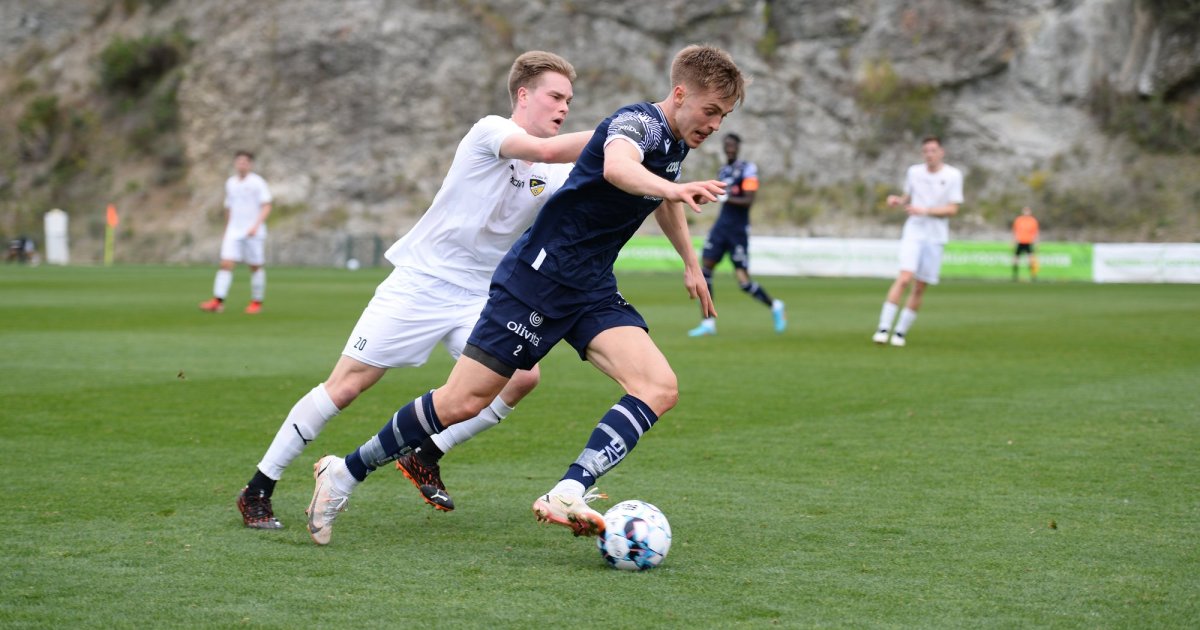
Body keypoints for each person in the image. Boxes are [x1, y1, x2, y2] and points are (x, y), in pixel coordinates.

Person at [304, 44, 745, 546]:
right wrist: (672, 190)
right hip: (538, 279)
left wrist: (691, 261)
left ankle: (568, 491)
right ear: (680, 94)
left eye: (723, 116)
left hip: (591, 286)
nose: (714, 124)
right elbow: (619, 168)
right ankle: (344, 472)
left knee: (659, 387)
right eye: (711, 110)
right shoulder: (637, 123)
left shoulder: (675, 144)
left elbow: (663, 191)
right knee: (462, 401)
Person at [234, 52, 591, 529]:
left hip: (480, 297)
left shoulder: (557, 172)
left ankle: (425, 453)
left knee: (522, 378)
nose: (564, 107)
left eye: (569, 100)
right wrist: (617, 133)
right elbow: (547, 150)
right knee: (348, 385)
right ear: (523, 95)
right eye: (556, 96)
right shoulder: (489, 131)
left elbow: (598, 180)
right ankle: (259, 487)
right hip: (421, 282)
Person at [687, 133, 785, 336]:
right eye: (726, 145)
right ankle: (708, 323)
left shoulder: (748, 170)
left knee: (743, 282)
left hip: (738, 231)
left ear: (738, 147)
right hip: (721, 227)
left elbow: (749, 200)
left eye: (732, 145)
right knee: (705, 271)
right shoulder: (723, 171)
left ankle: (775, 305)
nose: (729, 148)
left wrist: (725, 197)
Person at [872, 136, 963, 347]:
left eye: (933, 150)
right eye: (926, 151)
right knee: (905, 277)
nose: (929, 155)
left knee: (920, 286)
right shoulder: (914, 172)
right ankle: (883, 328)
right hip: (914, 230)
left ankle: (900, 332)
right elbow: (908, 197)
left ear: (941, 152)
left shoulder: (953, 175)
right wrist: (897, 200)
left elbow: (953, 209)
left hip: (936, 235)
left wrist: (926, 210)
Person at [199, 151, 272, 314]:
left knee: (255, 266)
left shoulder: (257, 182)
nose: (241, 165)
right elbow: (229, 208)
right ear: (235, 164)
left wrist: (256, 226)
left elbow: (267, 205)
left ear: (250, 164)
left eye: (245, 162)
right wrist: (227, 229)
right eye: (239, 162)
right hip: (234, 230)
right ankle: (218, 301)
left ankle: (257, 301)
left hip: (253, 232)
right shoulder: (231, 183)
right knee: (225, 263)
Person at [1012, 206, 1039, 281]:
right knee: (1015, 259)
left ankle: (1033, 276)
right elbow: (1015, 231)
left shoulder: (1033, 221)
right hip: (1020, 241)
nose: (1026, 213)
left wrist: (1036, 242)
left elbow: (1035, 232)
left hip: (1029, 242)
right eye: (1025, 211)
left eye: (1028, 211)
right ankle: (1015, 275)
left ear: (1030, 212)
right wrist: (1014, 240)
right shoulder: (1019, 220)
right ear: (1023, 212)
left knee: (1031, 260)